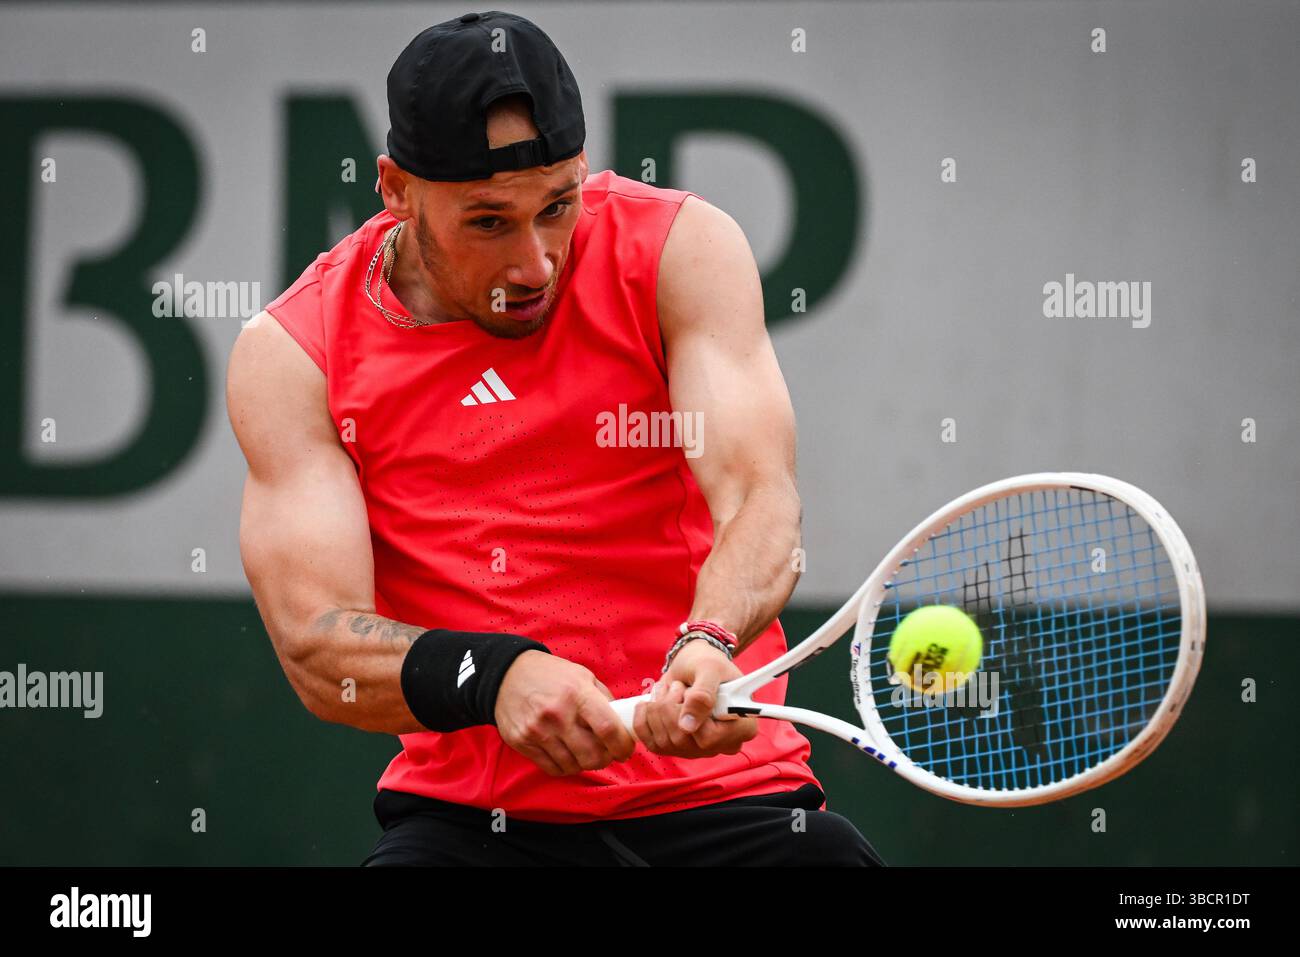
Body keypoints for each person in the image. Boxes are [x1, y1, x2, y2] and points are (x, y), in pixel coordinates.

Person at [226, 10, 882, 866]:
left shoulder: (680, 249)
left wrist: (712, 638)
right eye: (489, 221)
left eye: (558, 206)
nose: (535, 262)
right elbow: (318, 645)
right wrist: (492, 676)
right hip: (471, 824)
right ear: (395, 189)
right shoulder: (296, 353)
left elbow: (761, 499)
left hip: (733, 803)